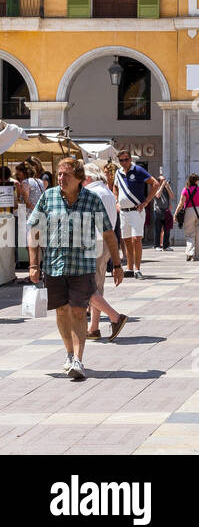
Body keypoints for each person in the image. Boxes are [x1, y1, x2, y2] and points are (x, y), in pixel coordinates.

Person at [26, 157, 125, 380]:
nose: (61, 178)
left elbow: (109, 233)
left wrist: (117, 264)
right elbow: (33, 230)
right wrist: (33, 264)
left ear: (79, 178)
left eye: (66, 175)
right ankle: (69, 354)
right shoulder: (48, 197)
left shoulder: (92, 200)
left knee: (79, 311)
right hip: (54, 265)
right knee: (62, 312)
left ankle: (78, 359)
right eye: (59, 174)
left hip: (82, 266)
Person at [83, 160, 128, 343]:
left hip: (92, 242)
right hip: (105, 243)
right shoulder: (107, 191)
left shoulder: (91, 192)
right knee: (97, 285)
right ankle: (93, 327)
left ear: (87, 177)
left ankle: (114, 317)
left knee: (84, 286)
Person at [113, 150, 160, 279]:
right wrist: (116, 201)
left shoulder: (138, 170)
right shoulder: (118, 172)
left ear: (130, 159)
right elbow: (115, 187)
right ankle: (129, 268)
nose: (124, 163)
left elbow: (155, 183)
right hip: (123, 212)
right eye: (121, 160)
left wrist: (146, 202)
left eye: (126, 159)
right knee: (127, 240)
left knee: (136, 239)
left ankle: (137, 269)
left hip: (136, 211)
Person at [177, 173, 199, 262]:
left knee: (189, 234)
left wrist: (175, 213)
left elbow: (181, 203)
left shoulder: (185, 190)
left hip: (189, 211)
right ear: (197, 181)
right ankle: (196, 256)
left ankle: (190, 253)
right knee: (197, 235)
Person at [152, 173, 174, 251]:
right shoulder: (155, 187)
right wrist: (161, 186)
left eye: (165, 180)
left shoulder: (167, 187)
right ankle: (157, 245)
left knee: (167, 229)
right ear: (159, 181)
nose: (164, 181)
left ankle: (166, 246)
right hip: (158, 210)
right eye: (163, 180)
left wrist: (167, 187)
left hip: (166, 211)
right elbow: (157, 195)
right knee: (157, 229)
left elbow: (172, 197)